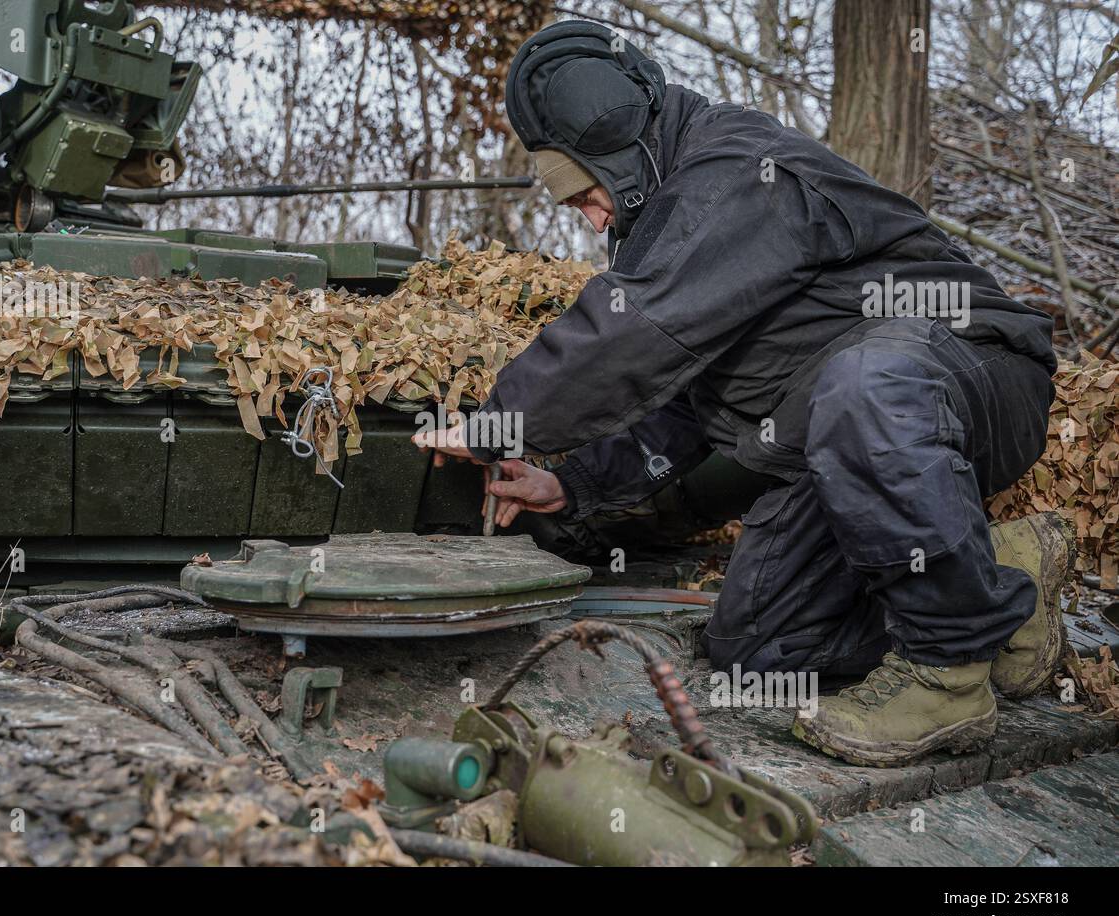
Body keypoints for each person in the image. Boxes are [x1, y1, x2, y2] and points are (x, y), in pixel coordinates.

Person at [412, 20, 1072, 768]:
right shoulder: (682, 218)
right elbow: (683, 399)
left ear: (622, 155)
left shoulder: (735, 168)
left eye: (588, 195)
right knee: (757, 647)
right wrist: (570, 484)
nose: (593, 219)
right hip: (851, 421)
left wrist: (502, 422)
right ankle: (999, 586)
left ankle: (947, 674)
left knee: (866, 384)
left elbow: (632, 334)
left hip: (972, 370)